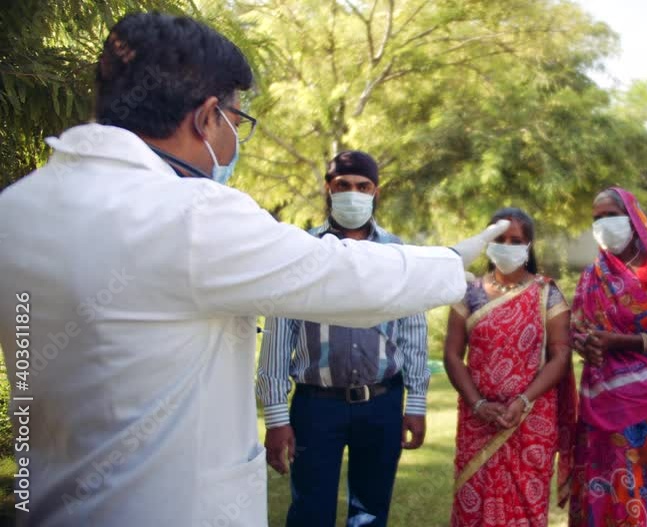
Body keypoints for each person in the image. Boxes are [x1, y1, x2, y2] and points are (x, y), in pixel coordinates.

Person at [0, 13, 506, 526]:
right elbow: (342, 277)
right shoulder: (192, 213)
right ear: (207, 117)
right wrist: (454, 259)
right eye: (236, 123)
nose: (234, 141)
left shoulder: (17, 209)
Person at [256, 150, 430, 527]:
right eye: (343, 186)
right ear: (328, 189)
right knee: (309, 513)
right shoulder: (301, 251)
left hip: (382, 403)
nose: (353, 193)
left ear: (375, 192)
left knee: (370, 514)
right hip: (316, 407)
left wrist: (415, 402)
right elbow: (278, 332)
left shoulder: (398, 253)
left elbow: (413, 330)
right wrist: (275, 415)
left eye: (362, 186)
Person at [568, 187, 647, 527]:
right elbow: (578, 328)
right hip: (600, 400)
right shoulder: (592, 273)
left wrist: (619, 342)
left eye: (611, 215)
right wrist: (585, 344)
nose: (603, 223)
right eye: (596, 218)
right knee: (605, 482)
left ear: (633, 218)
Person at [443, 208, 577, 527]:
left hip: (530, 421)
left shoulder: (546, 293)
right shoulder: (469, 292)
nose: (507, 244)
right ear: (487, 242)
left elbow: (560, 355)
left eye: (515, 240)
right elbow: (451, 354)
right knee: (471, 508)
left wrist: (523, 401)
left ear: (528, 246)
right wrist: (477, 403)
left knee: (526, 511)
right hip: (478, 420)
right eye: (499, 238)